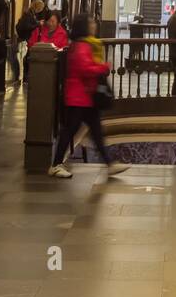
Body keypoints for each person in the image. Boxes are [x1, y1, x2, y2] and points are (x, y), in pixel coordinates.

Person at [48, 14, 129, 178]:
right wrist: (103, 67)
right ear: (84, 26)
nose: (94, 25)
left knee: (96, 132)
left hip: (85, 97)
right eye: (91, 22)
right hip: (78, 97)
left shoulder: (81, 45)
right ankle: (56, 165)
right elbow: (84, 69)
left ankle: (109, 164)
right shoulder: (82, 46)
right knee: (70, 130)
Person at [15, 0, 44, 83]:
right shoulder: (29, 14)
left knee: (24, 58)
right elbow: (28, 26)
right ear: (38, 7)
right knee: (24, 59)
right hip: (24, 38)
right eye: (40, 8)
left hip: (25, 38)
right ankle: (23, 78)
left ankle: (23, 77)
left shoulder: (30, 13)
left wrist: (37, 22)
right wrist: (38, 24)